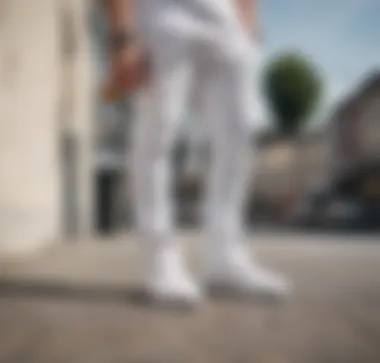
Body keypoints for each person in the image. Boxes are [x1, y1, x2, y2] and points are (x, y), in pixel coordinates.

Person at [102, 0, 291, 306]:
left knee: (239, 134)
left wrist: (249, 27)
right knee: (158, 132)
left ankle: (225, 258)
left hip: (224, 19)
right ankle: (160, 258)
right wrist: (123, 37)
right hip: (159, 13)